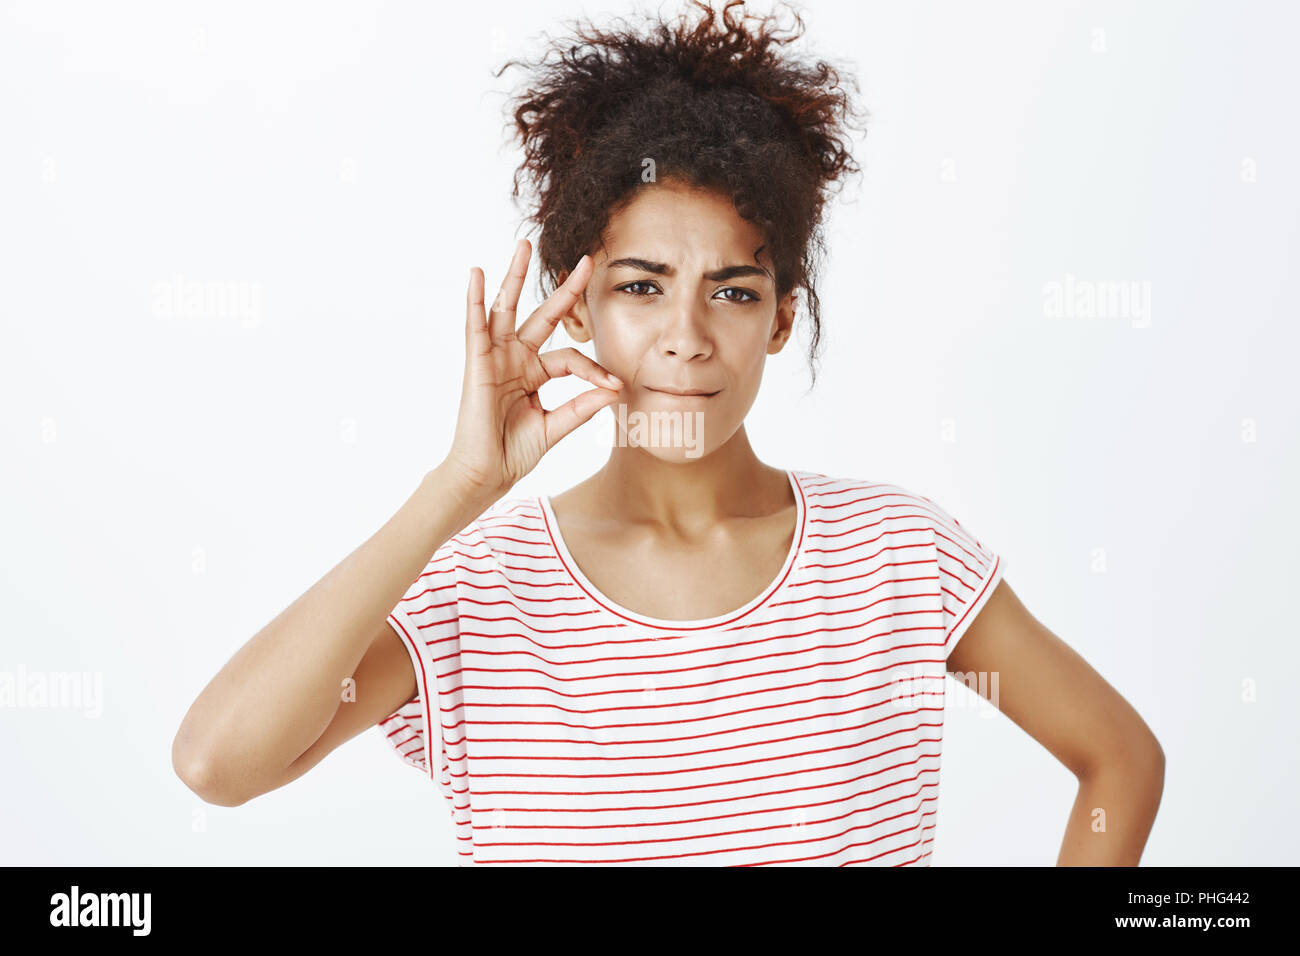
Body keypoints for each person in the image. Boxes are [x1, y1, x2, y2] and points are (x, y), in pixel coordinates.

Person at [172, 0, 1164, 866]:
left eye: (731, 291)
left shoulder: (897, 557)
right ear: (576, 310)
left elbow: (1117, 755)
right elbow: (218, 761)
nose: (686, 338)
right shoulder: (474, 590)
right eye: (641, 287)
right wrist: (458, 486)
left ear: (780, 317)